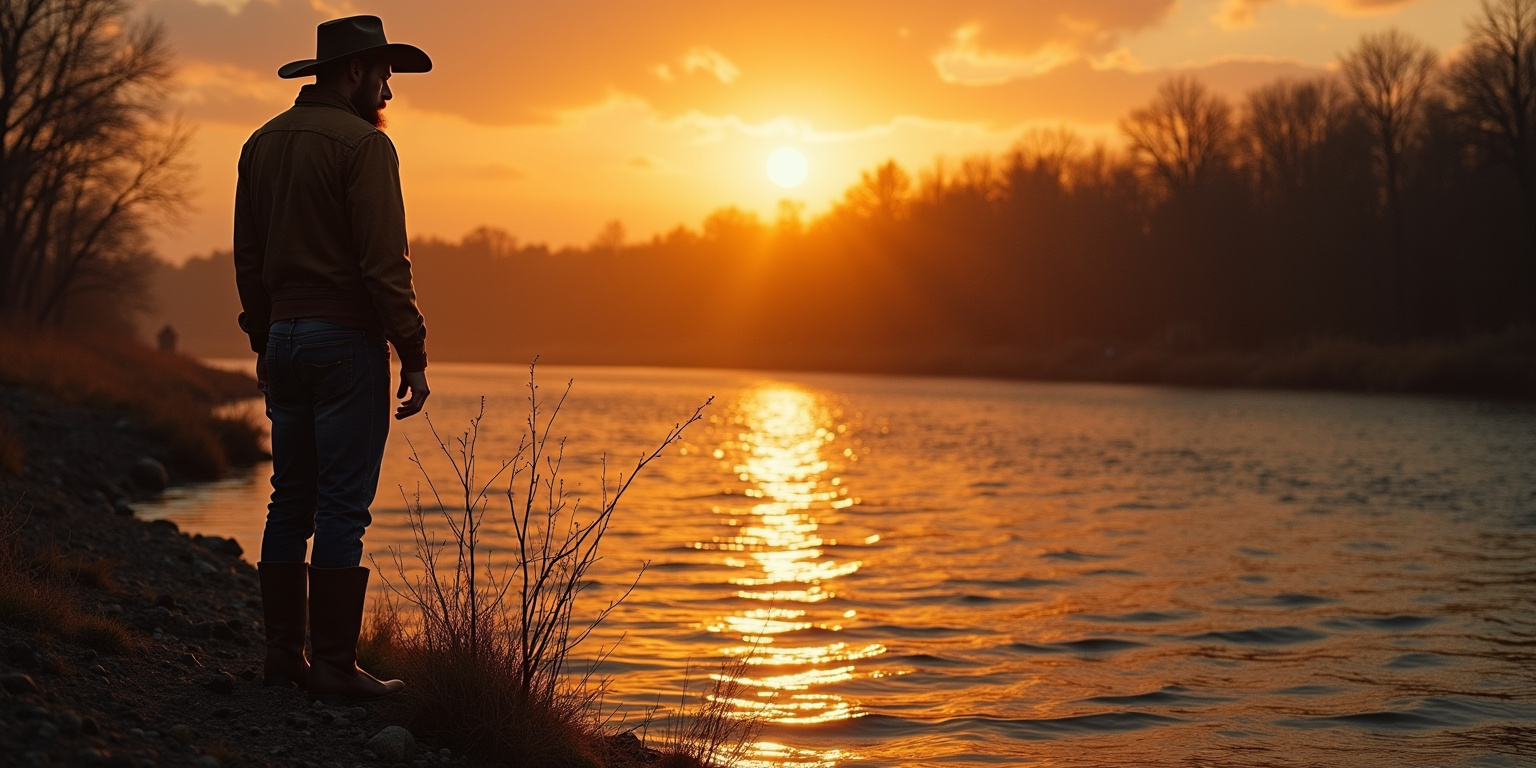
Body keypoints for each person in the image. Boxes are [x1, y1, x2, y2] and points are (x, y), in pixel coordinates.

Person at [233, 15, 432, 702]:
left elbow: (250, 261)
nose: (388, 91)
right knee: (343, 508)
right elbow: (385, 267)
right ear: (355, 72)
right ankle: (334, 665)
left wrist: (263, 339)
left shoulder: (259, 144)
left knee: (290, 500)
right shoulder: (366, 148)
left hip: (283, 339)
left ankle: (283, 655)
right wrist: (413, 351)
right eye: (384, 76)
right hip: (345, 343)